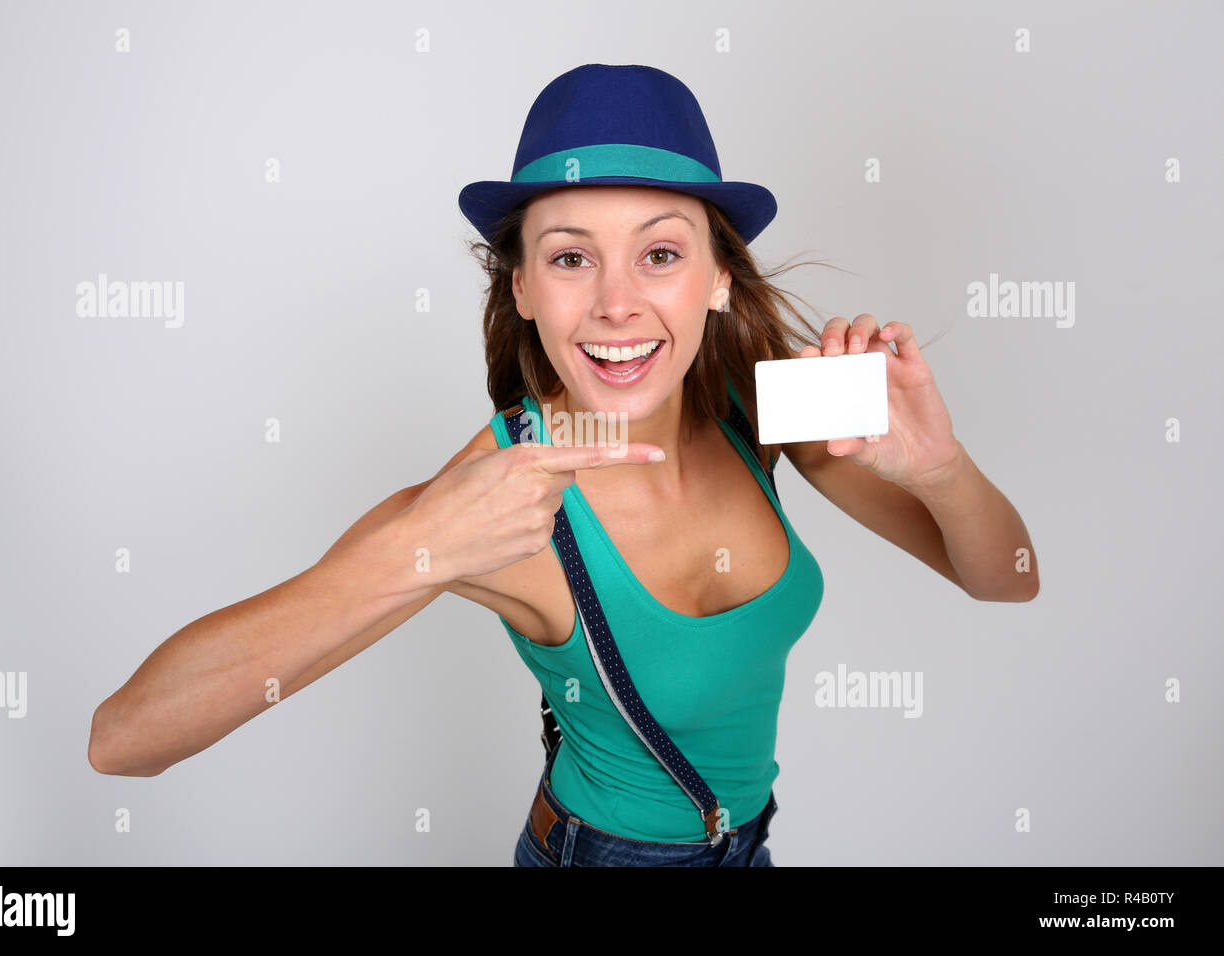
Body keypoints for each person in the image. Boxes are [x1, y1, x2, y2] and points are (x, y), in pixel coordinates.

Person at [87, 64, 1039, 867]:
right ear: (524, 286)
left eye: (659, 253)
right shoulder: (497, 494)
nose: (618, 304)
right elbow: (124, 740)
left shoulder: (761, 405)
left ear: (717, 277)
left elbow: (1006, 583)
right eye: (572, 258)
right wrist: (420, 547)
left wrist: (940, 470)